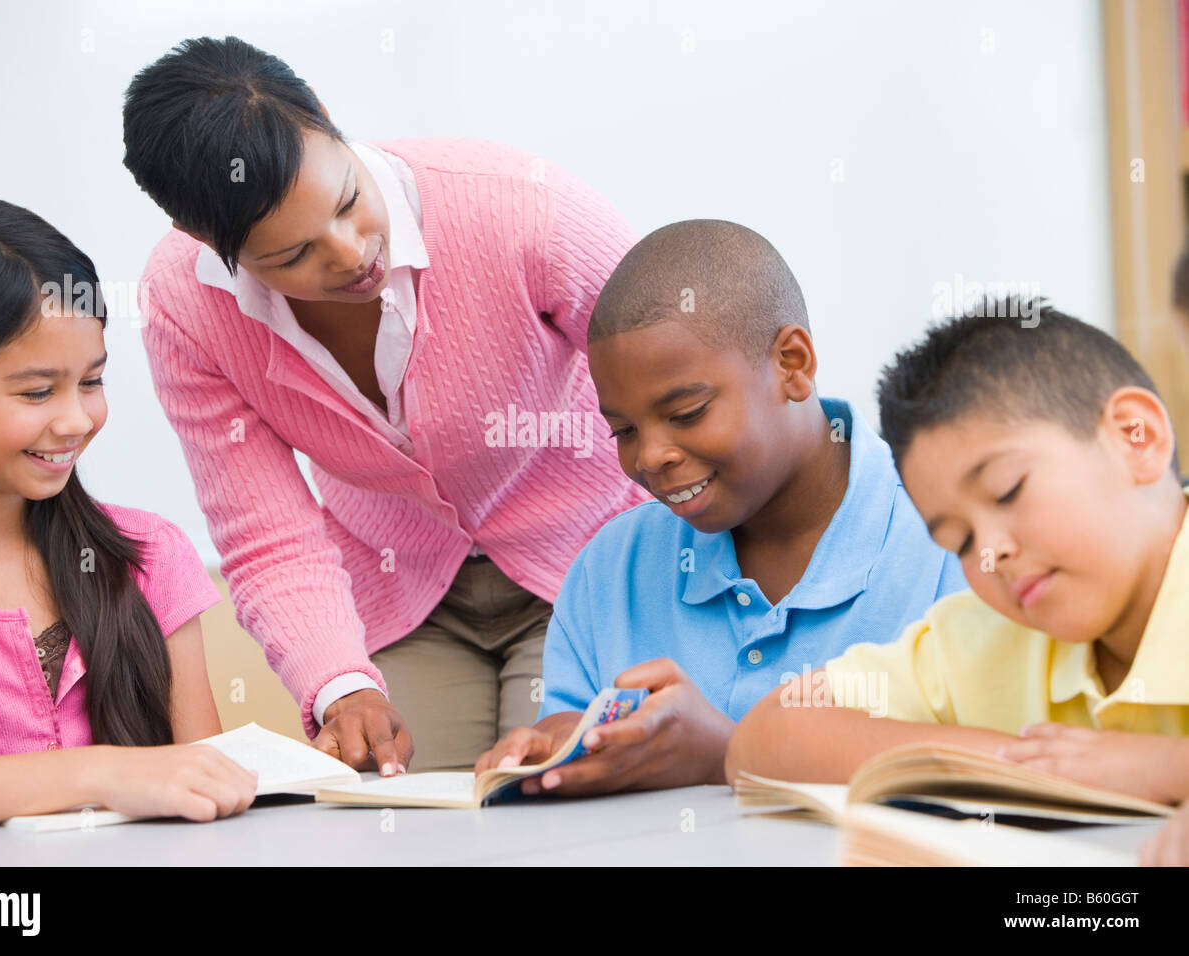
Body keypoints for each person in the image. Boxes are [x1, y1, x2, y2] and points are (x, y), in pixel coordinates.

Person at [122, 36, 649, 773]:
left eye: (347, 203)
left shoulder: (524, 208)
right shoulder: (184, 303)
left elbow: (684, 376)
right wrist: (341, 687)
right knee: (402, 813)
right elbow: (267, 530)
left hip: (588, 563)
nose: (348, 253)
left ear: (331, 122)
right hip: (402, 593)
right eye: (292, 256)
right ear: (201, 238)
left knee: (550, 790)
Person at [475, 220, 964, 795]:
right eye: (624, 430)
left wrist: (728, 757)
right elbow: (581, 758)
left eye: (687, 413)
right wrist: (563, 742)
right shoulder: (610, 571)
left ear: (793, 363)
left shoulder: (955, 542)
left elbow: (1005, 776)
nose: (651, 457)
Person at [727, 300, 1189, 811]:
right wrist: (1039, 768)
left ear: (1135, 437)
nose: (991, 553)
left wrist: (1165, 766)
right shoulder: (981, 640)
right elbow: (762, 739)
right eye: (960, 541)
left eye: (1008, 490)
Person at [0, 201, 257, 829]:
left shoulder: (147, 553)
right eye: (36, 392)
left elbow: (201, 776)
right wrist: (104, 773)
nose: (76, 421)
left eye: (92, 381)